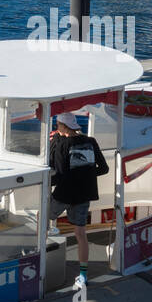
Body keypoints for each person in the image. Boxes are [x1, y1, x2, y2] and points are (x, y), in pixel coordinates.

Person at [48, 112, 109, 292]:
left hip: (64, 194)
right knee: (80, 234)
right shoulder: (91, 141)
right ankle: (83, 275)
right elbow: (104, 168)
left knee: (41, 219)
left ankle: (39, 261)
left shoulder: (61, 143)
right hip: (84, 194)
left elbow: (58, 173)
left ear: (62, 127)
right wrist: (86, 176)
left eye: (58, 124)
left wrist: (54, 143)